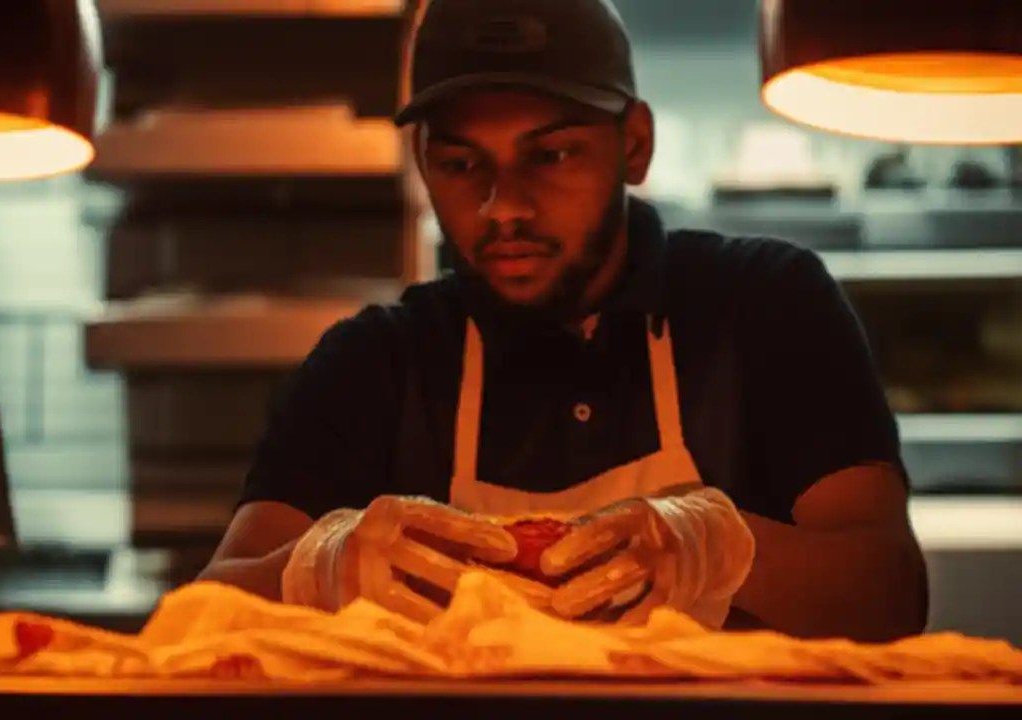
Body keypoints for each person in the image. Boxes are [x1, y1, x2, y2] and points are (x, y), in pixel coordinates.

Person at [197, 0, 928, 642]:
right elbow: (206, 611)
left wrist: (725, 548)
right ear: (421, 164)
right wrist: (317, 570)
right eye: (460, 165)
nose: (503, 206)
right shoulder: (375, 361)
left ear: (634, 145)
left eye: (550, 155)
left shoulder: (766, 303)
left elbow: (891, 595)